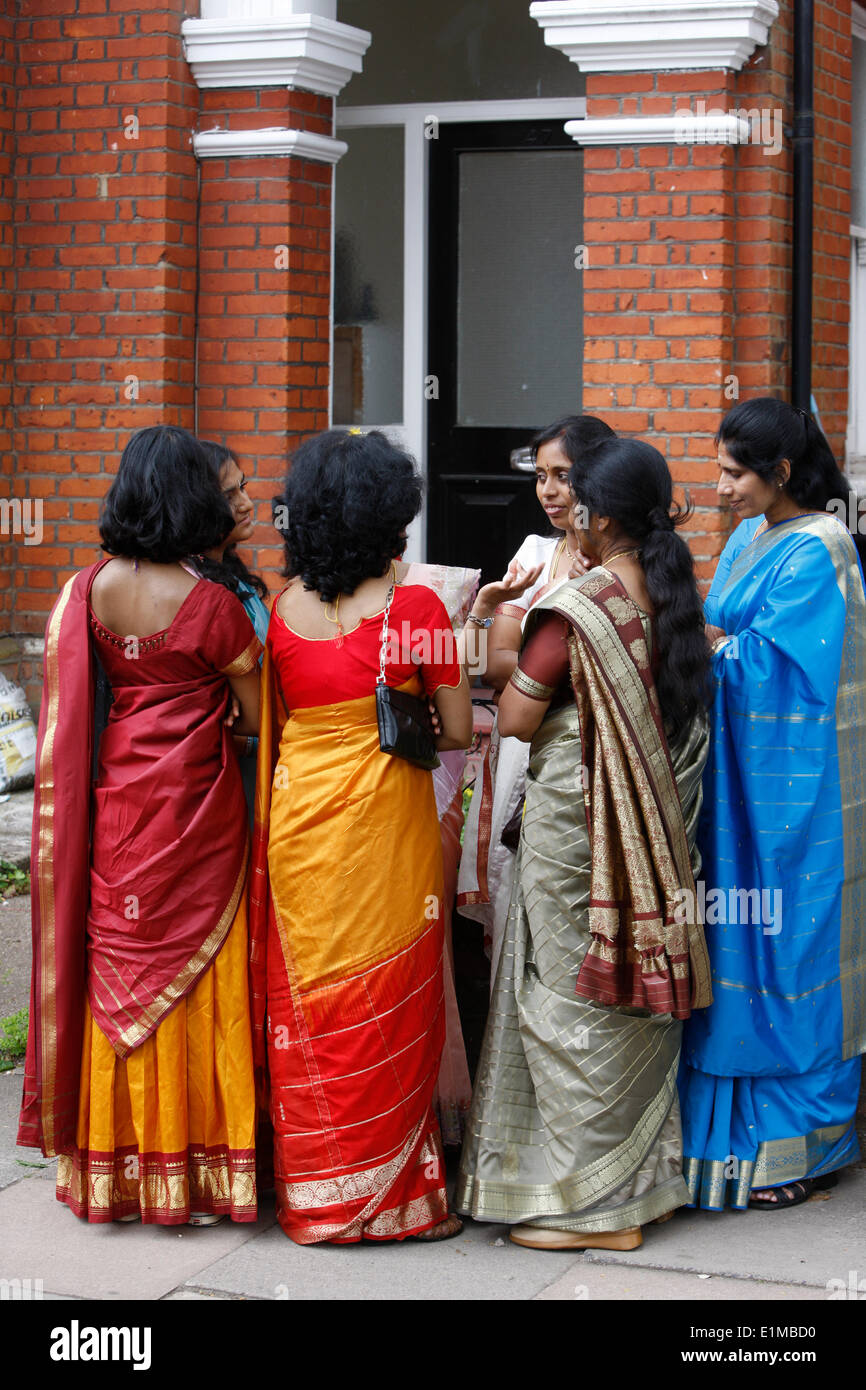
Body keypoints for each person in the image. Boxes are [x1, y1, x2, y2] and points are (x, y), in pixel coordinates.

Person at [456, 437, 713, 1250]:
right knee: (625, 992)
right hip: (655, 825)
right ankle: (639, 1187)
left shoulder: (584, 604)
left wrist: (499, 625)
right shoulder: (673, 594)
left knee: (569, 993)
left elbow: (522, 718)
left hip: (580, 824)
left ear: (599, 518)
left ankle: (591, 1210)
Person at [18, 425, 262, 1226]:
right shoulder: (214, 606)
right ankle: (197, 1168)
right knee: (197, 967)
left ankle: (113, 1166)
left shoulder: (86, 592)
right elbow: (259, 721)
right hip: (196, 804)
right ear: (193, 498)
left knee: (122, 960)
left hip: (118, 793)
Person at [249, 428, 473, 1244]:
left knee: (310, 1003)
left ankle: (318, 1201)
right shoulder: (417, 609)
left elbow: (273, 723)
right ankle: (396, 1203)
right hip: (385, 830)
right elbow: (453, 732)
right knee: (393, 1001)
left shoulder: (280, 612)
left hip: (301, 828)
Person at [679, 397, 866, 1211]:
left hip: (795, 794)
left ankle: (812, 1147)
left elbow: (784, 674)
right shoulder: (751, 537)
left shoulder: (822, 547)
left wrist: (709, 650)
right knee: (736, 947)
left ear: (781, 472)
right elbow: (715, 630)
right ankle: (735, 1140)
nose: (720, 489)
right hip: (736, 787)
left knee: (796, 948)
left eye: (733, 473)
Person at [457, 415, 616, 981]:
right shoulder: (534, 555)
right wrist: (493, 608)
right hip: (526, 749)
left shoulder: (622, 564)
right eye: (540, 476)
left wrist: (525, 649)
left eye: (563, 476)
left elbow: (516, 665)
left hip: (595, 762)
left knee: (576, 908)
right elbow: (495, 668)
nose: (548, 491)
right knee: (515, 893)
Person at [195, 439, 270, 825]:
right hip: (228, 772)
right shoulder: (197, 594)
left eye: (244, 487)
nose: (245, 503)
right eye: (229, 495)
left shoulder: (234, 577)